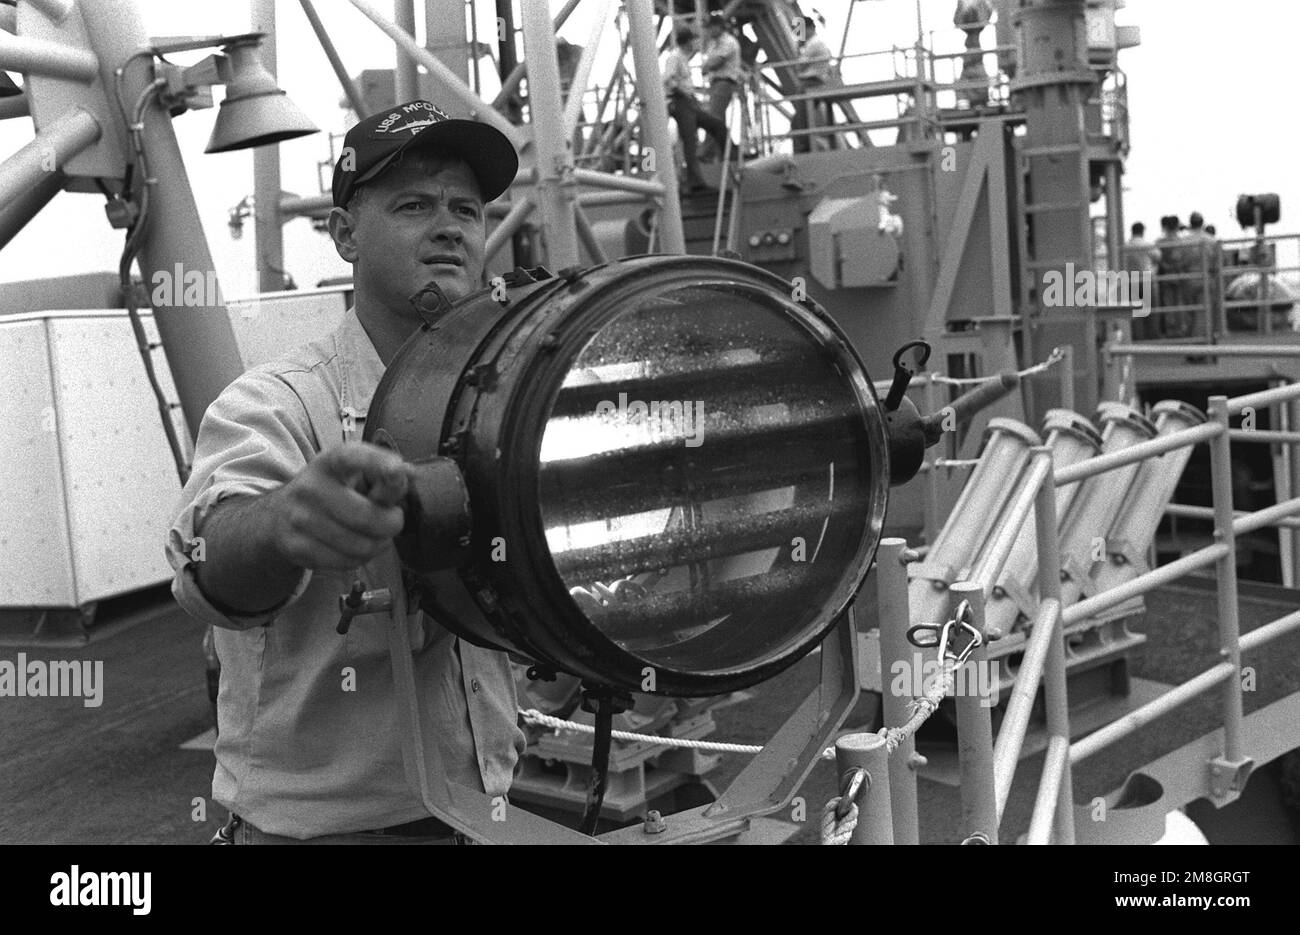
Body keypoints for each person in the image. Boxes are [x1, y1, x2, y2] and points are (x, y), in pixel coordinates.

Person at [167, 100, 525, 844]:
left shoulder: (506, 401)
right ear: (344, 234)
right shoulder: (276, 403)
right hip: (321, 831)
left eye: (467, 207)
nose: (451, 226)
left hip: (485, 807)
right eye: (414, 204)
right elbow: (211, 560)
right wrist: (288, 523)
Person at [663, 28, 729, 193]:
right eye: (693, 40)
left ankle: (729, 162)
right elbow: (667, 79)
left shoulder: (682, 58)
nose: (696, 43)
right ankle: (694, 181)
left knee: (717, 126)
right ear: (687, 42)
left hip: (688, 102)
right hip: (680, 102)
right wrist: (681, 93)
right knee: (690, 140)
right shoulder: (675, 57)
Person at [698, 12, 742, 161]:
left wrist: (706, 67)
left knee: (713, 118)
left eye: (710, 27)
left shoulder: (728, 42)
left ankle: (707, 154)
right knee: (718, 121)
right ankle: (730, 153)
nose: (708, 31)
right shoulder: (714, 44)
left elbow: (715, 62)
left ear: (718, 27)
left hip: (724, 83)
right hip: (716, 84)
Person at [791, 14, 836, 153]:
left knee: (801, 120)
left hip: (810, 83)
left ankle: (804, 149)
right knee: (798, 120)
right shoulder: (815, 44)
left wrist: (798, 46)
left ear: (809, 28)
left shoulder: (814, 44)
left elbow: (799, 66)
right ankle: (804, 147)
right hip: (814, 82)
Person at [1155, 214, 1191, 337]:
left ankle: (1169, 329)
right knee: (1179, 302)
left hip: (1165, 275)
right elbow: (1183, 259)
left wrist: (1165, 266)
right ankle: (1180, 327)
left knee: (1167, 303)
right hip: (1179, 274)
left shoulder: (1159, 242)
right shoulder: (1181, 242)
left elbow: (1158, 259)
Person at [1123, 222, 1161, 339]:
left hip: (1132, 279)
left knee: (1136, 310)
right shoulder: (1147, 244)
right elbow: (1158, 257)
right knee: (1150, 309)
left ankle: (1138, 336)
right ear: (1143, 231)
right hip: (1147, 278)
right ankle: (1152, 335)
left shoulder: (1126, 246)